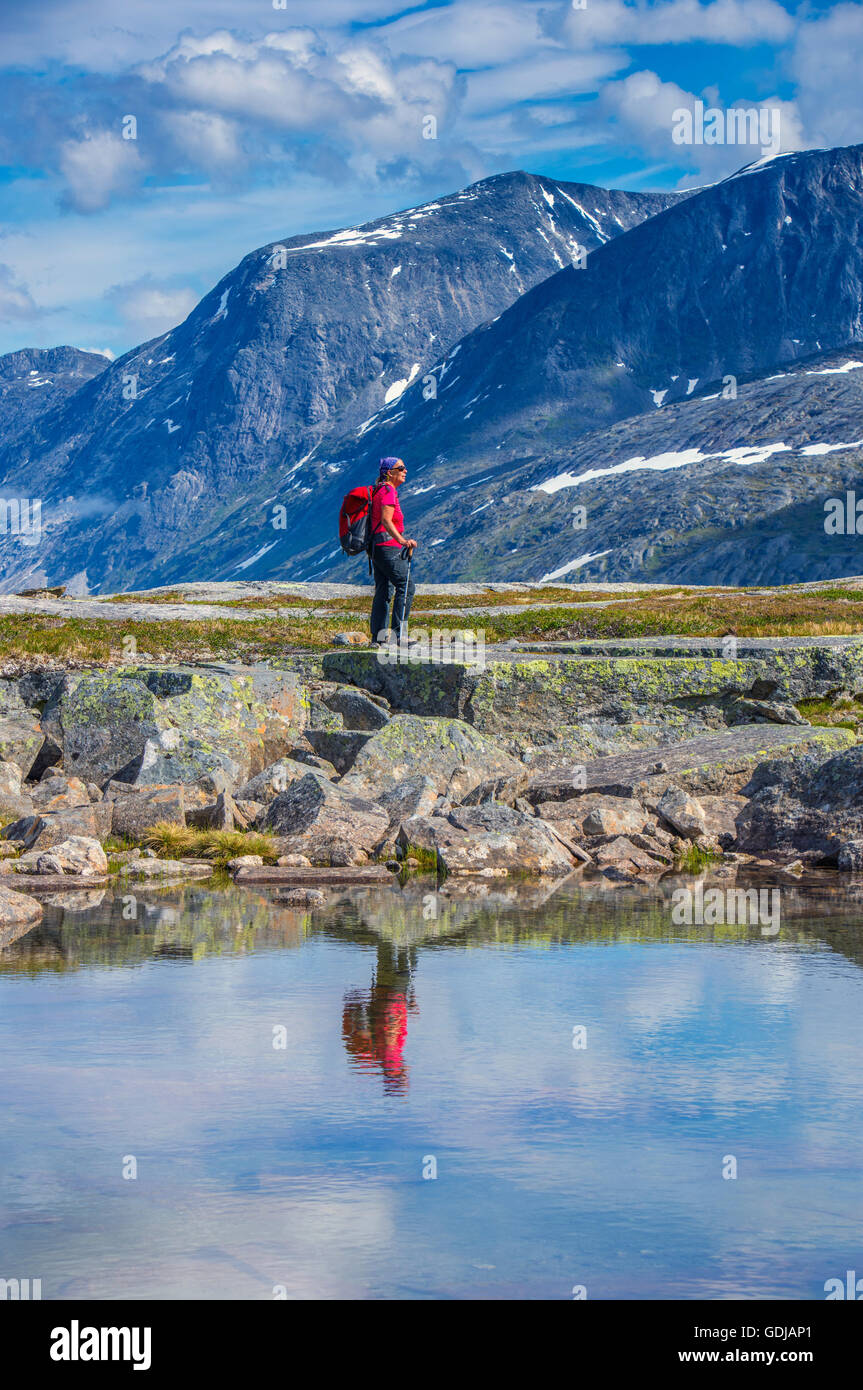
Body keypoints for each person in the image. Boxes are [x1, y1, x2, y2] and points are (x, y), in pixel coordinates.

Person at [369, 456, 417, 643]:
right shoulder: (388, 490)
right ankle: (399, 636)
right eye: (401, 468)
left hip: (377, 548)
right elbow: (386, 520)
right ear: (390, 472)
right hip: (388, 547)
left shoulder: (379, 489)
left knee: (384, 590)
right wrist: (403, 541)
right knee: (406, 586)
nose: (405, 471)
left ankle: (378, 638)